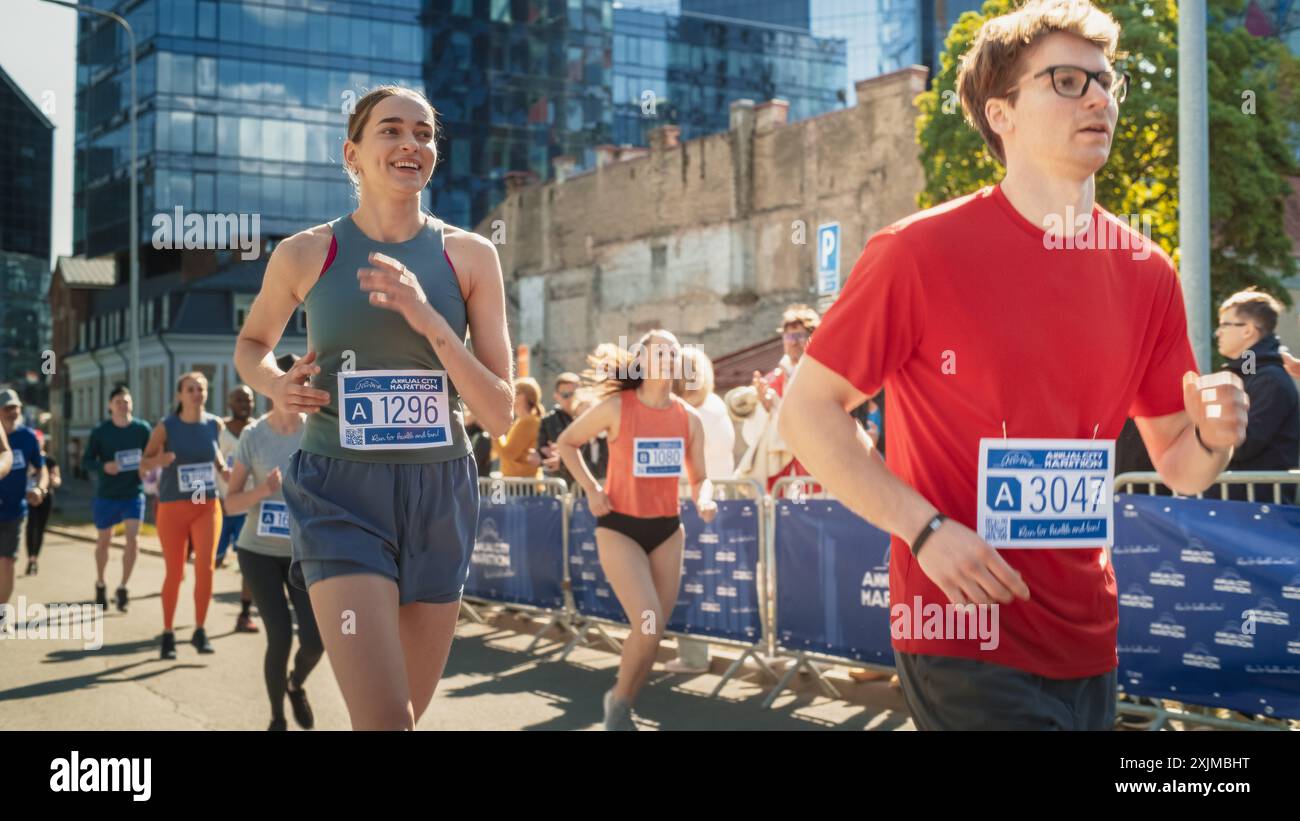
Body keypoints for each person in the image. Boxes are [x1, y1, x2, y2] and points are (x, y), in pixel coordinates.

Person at [780, 0, 1248, 731]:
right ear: (1001, 114)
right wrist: (925, 529)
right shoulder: (916, 254)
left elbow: (1183, 467)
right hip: (960, 628)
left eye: (1105, 81)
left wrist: (1217, 436)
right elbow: (806, 412)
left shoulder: (1146, 270)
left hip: (1088, 635)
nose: (1099, 98)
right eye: (1067, 81)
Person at [234, 84, 513, 730]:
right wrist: (275, 384)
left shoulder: (470, 257)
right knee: (386, 719)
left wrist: (429, 320)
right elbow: (252, 345)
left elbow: (500, 413)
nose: (411, 143)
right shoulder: (305, 253)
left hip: (440, 491)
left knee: (400, 720)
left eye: (424, 133)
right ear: (352, 153)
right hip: (341, 492)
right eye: (391, 130)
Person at [556, 330, 717, 730]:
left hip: (666, 531)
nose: (666, 357)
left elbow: (700, 477)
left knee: (654, 631)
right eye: (656, 352)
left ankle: (622, 702)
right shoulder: (616, 407)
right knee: (647, 623)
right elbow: (566, 442)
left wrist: (705, 498)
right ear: (642, 363)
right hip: (620, 528)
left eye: (672, 352)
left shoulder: (688, 418)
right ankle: (619, 706)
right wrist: (592, 490)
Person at [223, 353, 324, 730]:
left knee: (315, 640)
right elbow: (230, 503)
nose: (300, 390)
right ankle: (277, 718)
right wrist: (263, 490)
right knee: (279, 636)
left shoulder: (316, 430)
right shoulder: (254, 436)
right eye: (293, 381)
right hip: (259, 552)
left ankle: (295, 685)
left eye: (304, 382)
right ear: (273, 387)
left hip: (304, 553)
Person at [145, 371, 231, 659]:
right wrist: (160, 460)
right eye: (191, 389)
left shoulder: (214, 424)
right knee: (175, 572)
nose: (197, 393)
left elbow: (215, 455)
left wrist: (224, 470)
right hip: (173, 506)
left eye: (201, 389)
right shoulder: (166, 427)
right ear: (179, 395)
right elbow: (143, 466)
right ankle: (168, 633)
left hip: (206, 505)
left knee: (205, 568)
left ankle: (199, 630)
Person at [665, 346, 733, 674]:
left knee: (688, 579)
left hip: (689, 503)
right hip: (721, 504)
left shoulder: (682, 411)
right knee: (708, 578)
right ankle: (696, 651)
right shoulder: (717, 406)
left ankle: (693, 655)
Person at [1215, 288, 1299, 504]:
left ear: (1248, 330)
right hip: (1238, 508)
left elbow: (1244, 444)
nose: (1218, 332)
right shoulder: (1248, 374)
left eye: (1225, 324)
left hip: (1255, 512)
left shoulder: (1269, 380)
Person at [83, 385, 156, 610]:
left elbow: (151, 456)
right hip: (107, 494)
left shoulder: (142, 429)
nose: (123, 406)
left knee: (133, 540)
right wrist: (104, 466)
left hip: (133, 493)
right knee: (104, 540)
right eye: (118, 402)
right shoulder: (100, 432)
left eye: (126, 401)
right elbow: (86, 462)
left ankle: (123, 586)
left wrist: (146, 468)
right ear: (110, 406)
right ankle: (101, 583)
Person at [736, 304, 820, 493]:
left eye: (799, 336)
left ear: (812, 338)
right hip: (780, 472)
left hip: (812, 464)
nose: (793, 342)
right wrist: (766, 409)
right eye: (789, 336)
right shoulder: (771, 381)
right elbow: (752, 437)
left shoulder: (821, 377)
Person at [0, 389, 46, 634]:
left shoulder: (28, 437)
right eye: (7, 407)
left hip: (14, 510)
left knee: (7, 562)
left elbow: (42, 468)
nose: (13, 411)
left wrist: (40, 487)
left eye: (15, 406)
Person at [217, 385, 260, 634]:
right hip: (220, 509)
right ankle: (197, 610)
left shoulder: (258, 430)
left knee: (248, 565)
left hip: (248, 508)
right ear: (229, 403)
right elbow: (205, 468)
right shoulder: (219, 431)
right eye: (239, 399)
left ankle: (244, 614)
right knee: (214, 561)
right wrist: (200, 504)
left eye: (249, 399)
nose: (245, 403)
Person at [534, 372, 608, 487]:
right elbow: (542, 451)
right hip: (562, 486)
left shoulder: (605, 435)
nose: (571, 399)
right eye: (565, 395)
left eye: (574, 394)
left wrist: (564, 461)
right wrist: (544, 456)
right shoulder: (549, 421)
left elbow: (600, 469)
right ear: (556, 395)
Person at [24, 435, 60, 576]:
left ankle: (34, 558)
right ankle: (30, 558)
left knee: (40, 528)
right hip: (29, 496)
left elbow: (57, 479)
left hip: (45, 497)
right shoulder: (27, 458)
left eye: (39, 442)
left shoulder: (50, 460)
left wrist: (53, 479)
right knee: (30, 526)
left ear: (43, 443)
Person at [497, 377, 543, 478]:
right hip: (521, 484)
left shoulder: (528, 422)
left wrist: (495, 432)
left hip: (523, 486)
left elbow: (508, 454)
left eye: (511, 393)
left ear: (522, 397)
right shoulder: (526, 420)